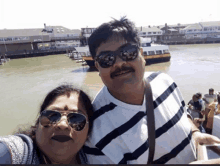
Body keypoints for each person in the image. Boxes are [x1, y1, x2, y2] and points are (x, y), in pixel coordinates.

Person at [83, 17, 220, 164]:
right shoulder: (94, 132)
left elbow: (183, 113)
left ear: (142, 54)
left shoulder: (165, 81)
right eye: (107, 59)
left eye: (128, 52)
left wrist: (194, 132)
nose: (119, 63)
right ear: (97, 66)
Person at [0, 84, 94, 164]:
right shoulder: (19, 153)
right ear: (37, 125)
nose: (62, 125)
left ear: (89, 132)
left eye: (76, 118)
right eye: (52, 116)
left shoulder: (95, 157)